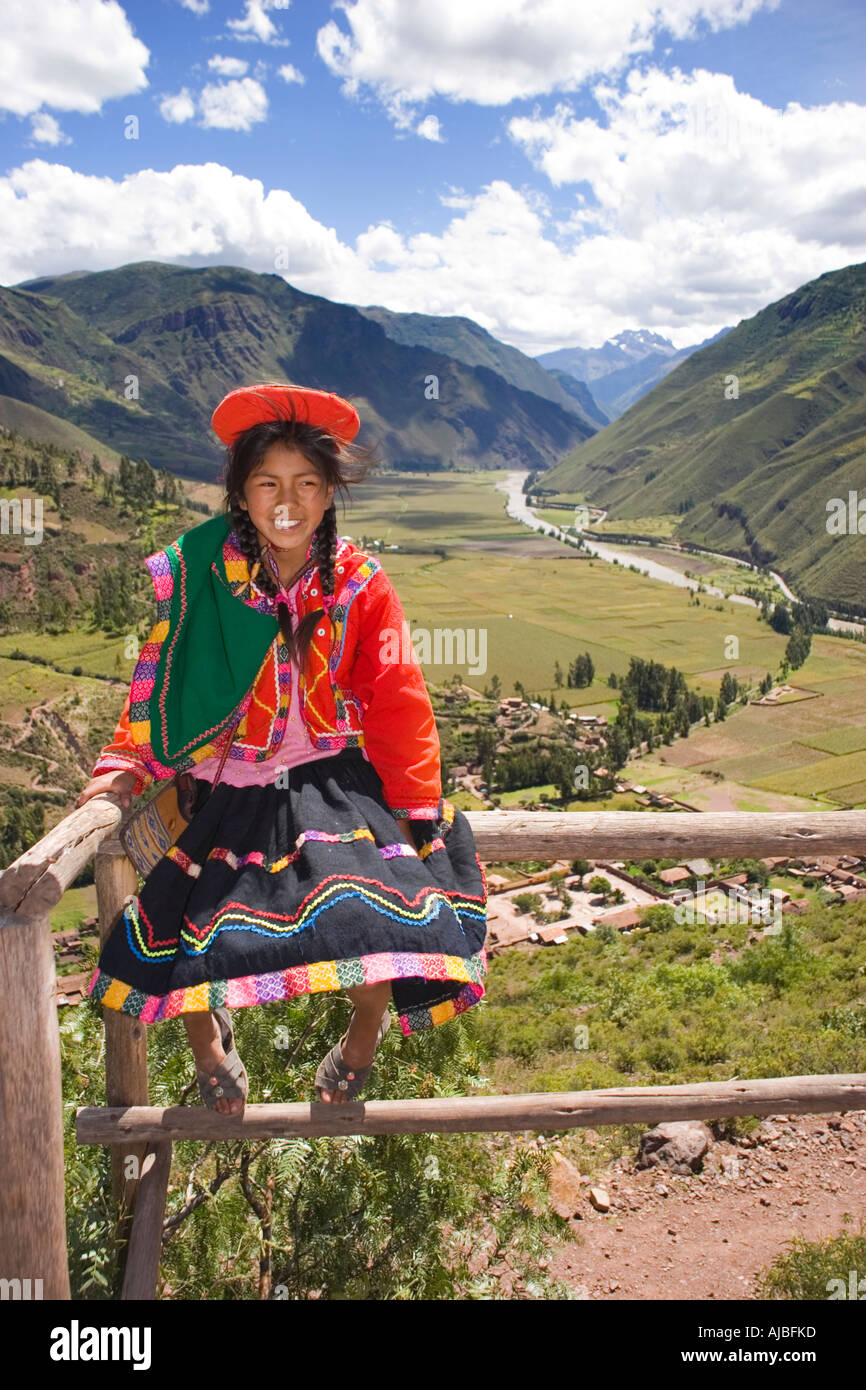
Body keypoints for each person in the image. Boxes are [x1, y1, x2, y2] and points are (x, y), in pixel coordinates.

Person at [77, 382, 488, 1115]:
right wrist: (122, 766)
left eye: (306, 483)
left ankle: (365, 1026)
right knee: (180, 924)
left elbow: (396, 692)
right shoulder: (206, 575)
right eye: (268, 483)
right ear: (241, 493)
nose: (287, 500)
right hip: (222, 781)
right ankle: (211, 1047)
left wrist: (417, 800)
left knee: (369, 915)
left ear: (329, 494)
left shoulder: (358, 582)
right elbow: (163, 683)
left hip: (327, 779)